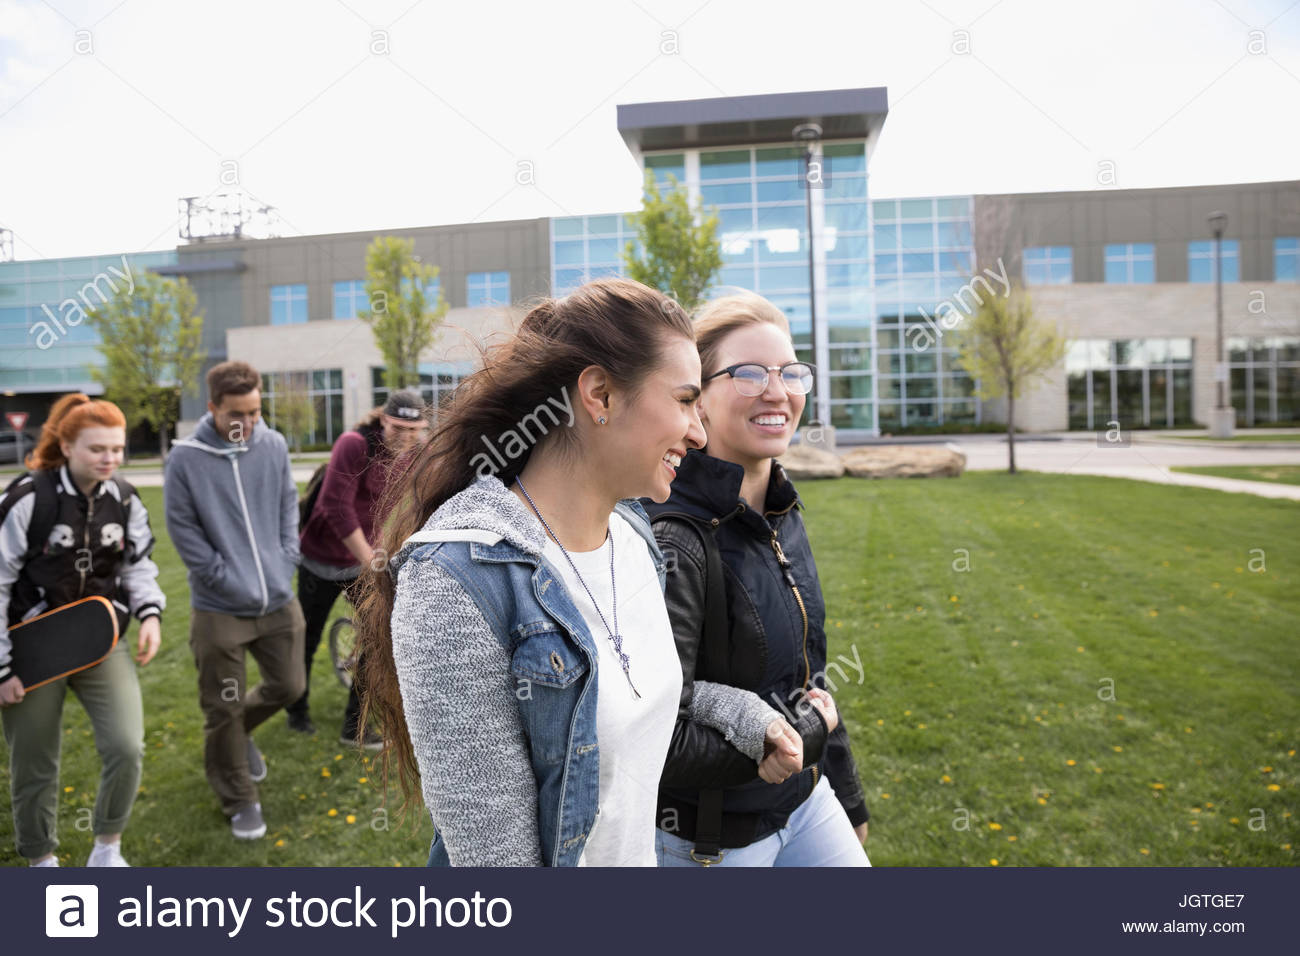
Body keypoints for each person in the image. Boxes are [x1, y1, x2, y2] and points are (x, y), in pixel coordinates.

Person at [355, 278, 785, 866]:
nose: (700, 432)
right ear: (600, 395)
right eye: (685, 401)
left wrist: (748, 717)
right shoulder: (456, 583)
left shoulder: (634, 535)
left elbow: (634, 689)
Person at [647, 291, 871, 866]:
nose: (778, 391)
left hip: (805, 804)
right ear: (697, 400)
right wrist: (803, 737)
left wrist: (843, 792)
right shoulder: (676, 535)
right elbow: (654, 732)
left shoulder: (781, 509)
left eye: (791, 372)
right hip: (714, 841)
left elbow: (808, 667)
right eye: (747, 373)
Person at [0, 394, 165, 867]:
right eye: (97, 449)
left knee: (126, 746)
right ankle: (41, 859)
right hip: (29, 649)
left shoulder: (126, 499)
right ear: (67, 445)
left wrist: (150, 614)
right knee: (34, 760)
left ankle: (106, 850)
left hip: (98, 639)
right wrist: (2, 667)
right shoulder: (28, 499)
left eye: (116, 448)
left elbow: (138, 566)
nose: (110, 458)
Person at [164, 360, 305, 841]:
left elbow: (290, 504)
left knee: (289, 687)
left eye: (256, 411)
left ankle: (235, 738)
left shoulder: (274, 444)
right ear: (212, 409)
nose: (248, 422)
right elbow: (183, 532)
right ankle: (239, 798)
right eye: (237, 414)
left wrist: (287, 557)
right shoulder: (184, 459)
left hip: (277, 598)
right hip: (219, 606)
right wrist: (224, 577)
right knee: (221, 707)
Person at [288, 391, 429, 748]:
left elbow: (388, 506)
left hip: (362, 557)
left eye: (414, 429)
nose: (406, 436)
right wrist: (372, 560)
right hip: (320, 559)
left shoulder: (411, 454)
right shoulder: (352, 444)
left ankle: (355, 725)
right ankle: (296, 710)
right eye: (398, 427)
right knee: (306, 638)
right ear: (383, 420)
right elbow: (336, 506)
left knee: (380, 636)